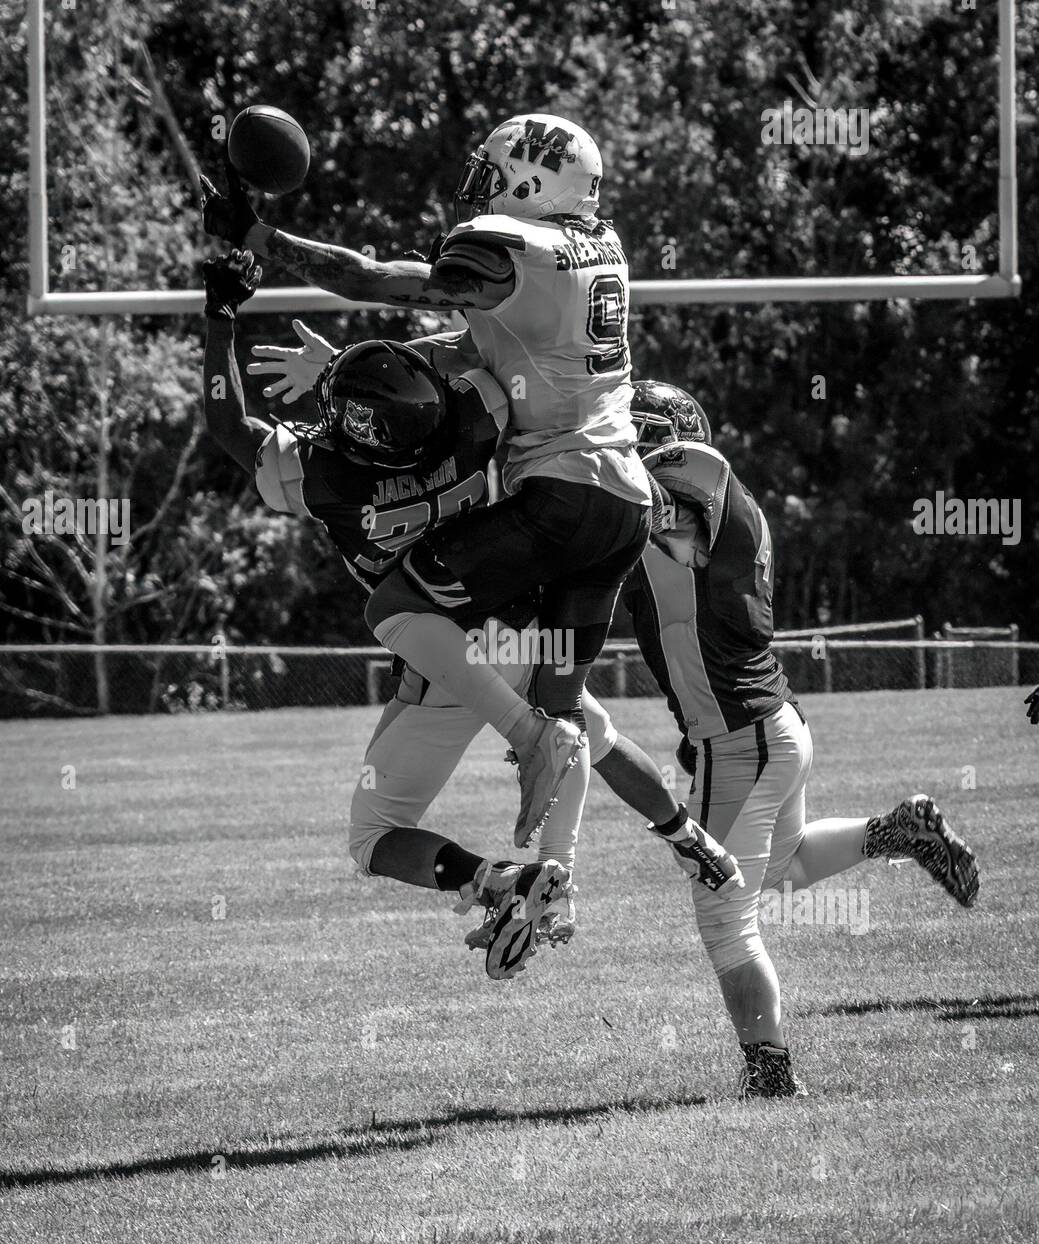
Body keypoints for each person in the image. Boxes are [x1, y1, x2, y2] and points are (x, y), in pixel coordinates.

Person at [200, 251, 741, 982]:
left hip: (446, 649)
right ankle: (618, 857)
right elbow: (474, 344)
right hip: (520, 620)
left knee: (374, 835)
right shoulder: (478, 418)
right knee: (586, 730)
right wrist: (355, 370)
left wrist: (223, 311)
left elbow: (226, 420)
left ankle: (498, 881)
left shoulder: (317, 474)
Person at [201, 112, 652, 852]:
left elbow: (375, 279)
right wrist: (348, 360)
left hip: (560, 492)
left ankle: (523, 739)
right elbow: (471, 344)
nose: (477, 184)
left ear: (530, 182)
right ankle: (557, 879)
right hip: (624, 504)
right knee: (563, 708)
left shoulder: (508, 245)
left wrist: (263, 240)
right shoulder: (596, 243)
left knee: (398, 604)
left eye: (493, 171)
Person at [627, 380, 981, 1097]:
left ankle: (769, 1071)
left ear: (672, 436)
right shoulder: (683, 515)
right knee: (779, 869)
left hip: (744, 734)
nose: (619, 441)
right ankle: (898, 832)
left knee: (722, 911)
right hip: (762, 729)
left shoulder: (697, 489)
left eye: (634, 430)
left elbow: (655, 485)